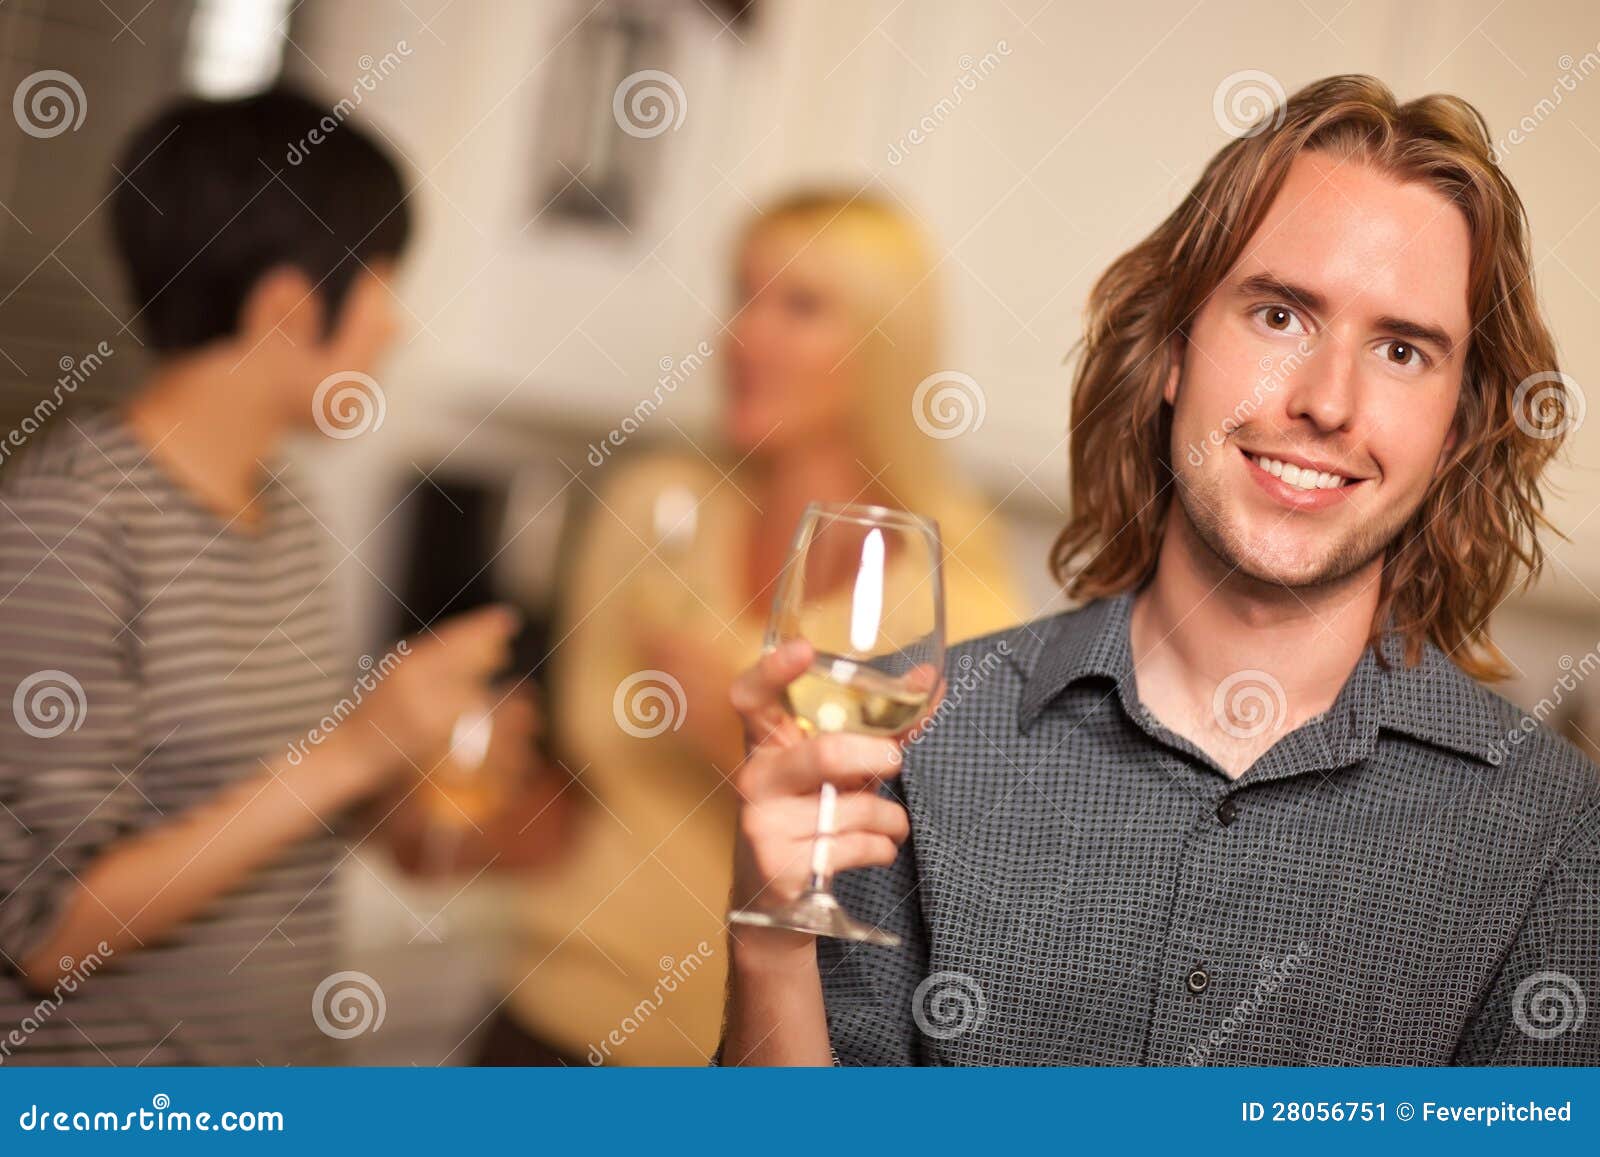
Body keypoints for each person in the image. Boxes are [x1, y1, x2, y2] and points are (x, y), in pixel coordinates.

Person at [721, 76, 1600, 1066]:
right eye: (1279, 317)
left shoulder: (1557, 831)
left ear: (1455, 426)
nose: (1326, 401)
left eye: (1401, 349)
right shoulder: (910, 738)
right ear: (1175, 348)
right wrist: (770, 944)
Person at [0, 88, 516, 1065]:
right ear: (287, 308)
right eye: (381, 287)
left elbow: (262, 802)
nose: (394, 330)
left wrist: (410, 761)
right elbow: (44, 928)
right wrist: (355, 749)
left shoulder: (284, 511)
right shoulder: (68, 521)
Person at [469, 192, 1026, 1065]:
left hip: (735, 1060)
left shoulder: (969, 607)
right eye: (744, 294)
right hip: (541, 1019)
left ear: (886, 342)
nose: (744, 335)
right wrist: (432, 797)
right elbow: (571, 792)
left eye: (799, 307)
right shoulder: (651, 510)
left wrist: (726, 743)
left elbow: (931, 898)